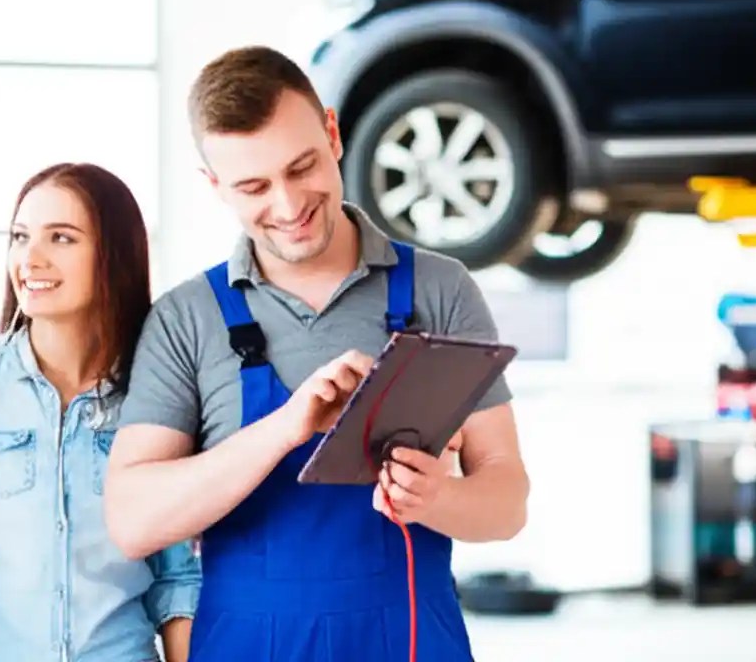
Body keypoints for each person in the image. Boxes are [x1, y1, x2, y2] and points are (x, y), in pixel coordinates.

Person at [104, 46, 530, 661]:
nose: (288, 206)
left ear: (332, 133)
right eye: (254, 186)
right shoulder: (187, 318)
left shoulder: (439, 291)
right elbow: (133, 522)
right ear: (215, 185)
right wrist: (286, 428)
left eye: (301, 167)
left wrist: (439, 498)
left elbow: (508, 502)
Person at [0, 163, 201, 662]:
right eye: (20, 236)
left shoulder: (159, 401)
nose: (30, 258)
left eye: (61, 238)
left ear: (114, 255)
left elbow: (177, 580)